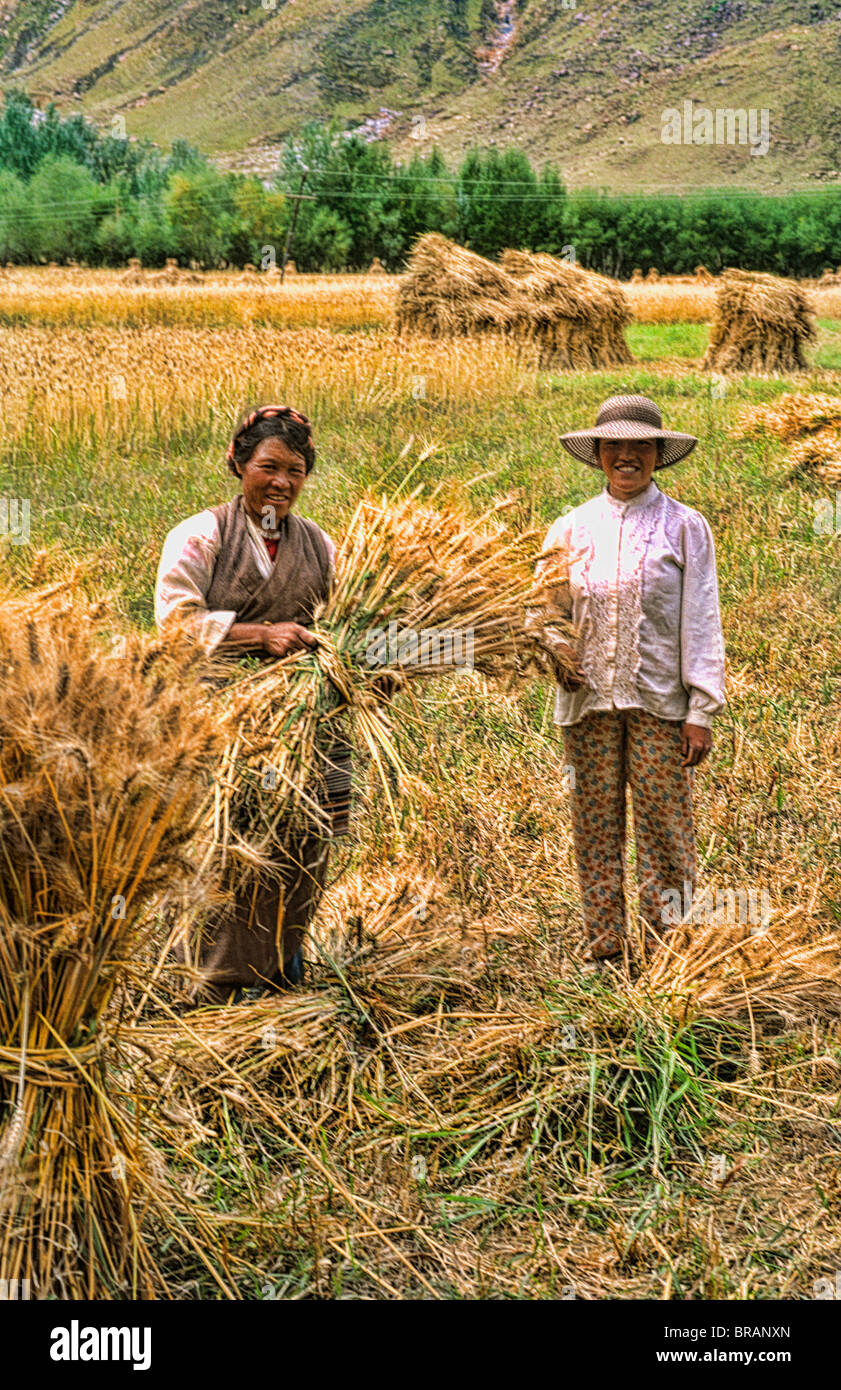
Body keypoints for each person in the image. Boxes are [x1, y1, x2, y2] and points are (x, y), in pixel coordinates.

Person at [155, 403, 349, 1001]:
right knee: (230, 848)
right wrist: (259, 636)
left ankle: (280, 968)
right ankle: (211, 985)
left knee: (302, 841)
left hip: (307, 724)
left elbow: (347, 624)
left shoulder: (319, 543)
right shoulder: (201, 535)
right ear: (238, 463)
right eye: (268, 466)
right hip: (224, 720)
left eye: (295, 470)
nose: (281, 482)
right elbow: (173, 628)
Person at [525, 394, 725, 966]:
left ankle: (668, 951)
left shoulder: (686, 528)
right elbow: (543, 609)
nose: (627, 456)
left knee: (665, 829)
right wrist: (556, 645)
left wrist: (701, 711)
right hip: (586, 703)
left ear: (658, 454)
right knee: (594, 826)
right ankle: (606, 948)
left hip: (660, 704)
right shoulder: (569, 528)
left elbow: (701, 617)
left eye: (640, 445)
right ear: (599, 453)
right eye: (615, 444)